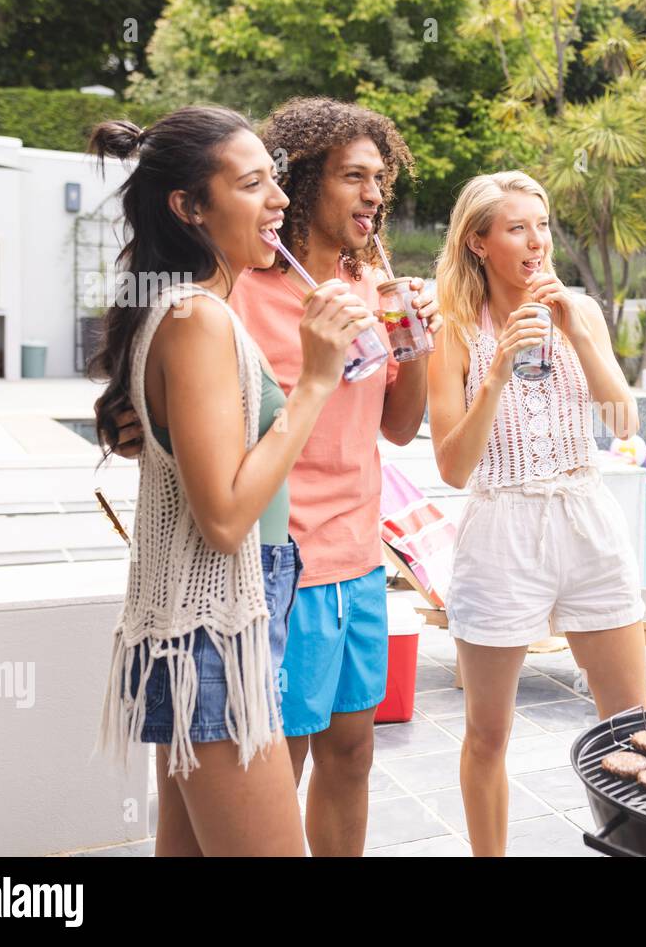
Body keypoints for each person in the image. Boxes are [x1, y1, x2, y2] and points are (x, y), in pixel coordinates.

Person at [89, 106, 372, 856]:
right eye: (252, 184)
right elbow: (224, 517)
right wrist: (316, 380)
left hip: (206, 620)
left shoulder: (195, 310)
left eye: (274, 180)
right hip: (214, 628)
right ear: (190, 208)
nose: (279, 199)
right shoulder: (199, 319)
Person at [230, 97, 438, 856]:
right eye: (354, 176)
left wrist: (414, 342)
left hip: (359, 562)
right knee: (274, 765)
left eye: (379, 178)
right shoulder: (244, 293)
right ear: (304, 181)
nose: (374, 195)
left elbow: (398, 426)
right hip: (284, 567)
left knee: (352, 752)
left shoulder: (367, 285)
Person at [427, 171, 646, 856]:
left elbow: (623, 424)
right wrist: (494, 372)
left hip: (586, 519)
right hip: (502, 531)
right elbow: (453, 467)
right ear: (479, 241)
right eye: (518, 228)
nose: (537, 242)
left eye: (543, 224)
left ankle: (635, 846)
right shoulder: (454, 330)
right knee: (489, 731)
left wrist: (576, 332)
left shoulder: (578, 307)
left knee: (632, 727)